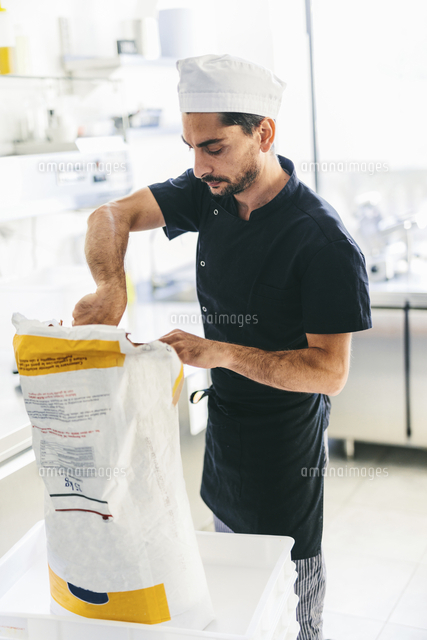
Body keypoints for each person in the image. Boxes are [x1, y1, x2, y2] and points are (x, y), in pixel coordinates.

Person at [72, 54, 372, 640]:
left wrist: (222, 351)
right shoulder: (210, 192)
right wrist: (111, 286)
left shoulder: (321, 241)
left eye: (214, 146)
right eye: (190, 146)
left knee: (288, 592)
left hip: (286, 448)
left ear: (264, 132)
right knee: (233, 586)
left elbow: (329, 372)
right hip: (226, 434)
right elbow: (110, 214)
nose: (199, 164)